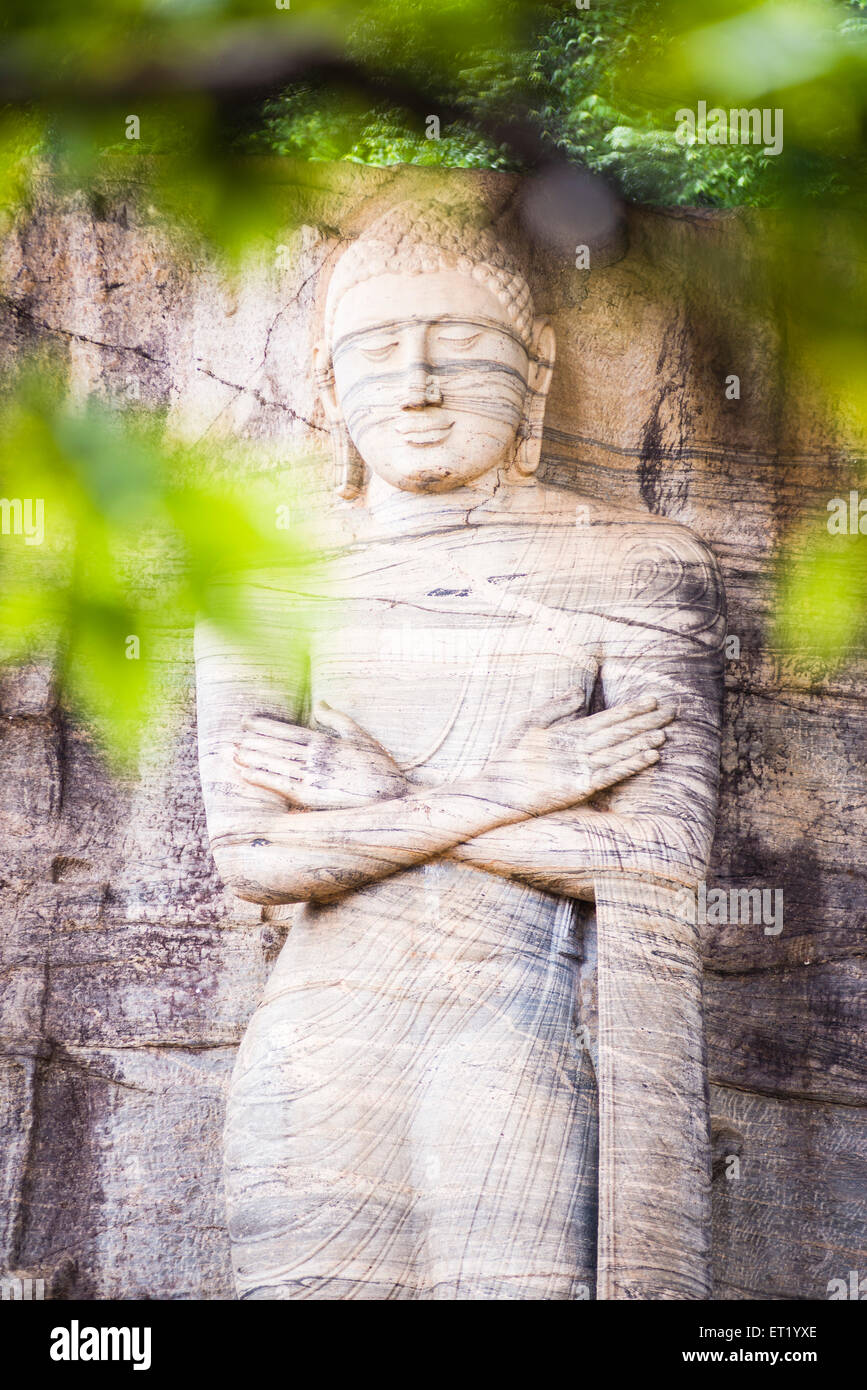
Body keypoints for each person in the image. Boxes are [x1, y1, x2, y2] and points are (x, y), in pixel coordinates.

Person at [194, 200, 725, 1299]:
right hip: (315, 1055)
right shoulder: (264, 574)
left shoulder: (633, 564)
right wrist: (510, 790)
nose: (421, 383)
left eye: (460, 346)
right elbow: (254, 858)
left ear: (535, 376)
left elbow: (661, 854)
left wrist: (372, 807)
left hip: (520, 1037)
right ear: (331, 393)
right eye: (379, 351)